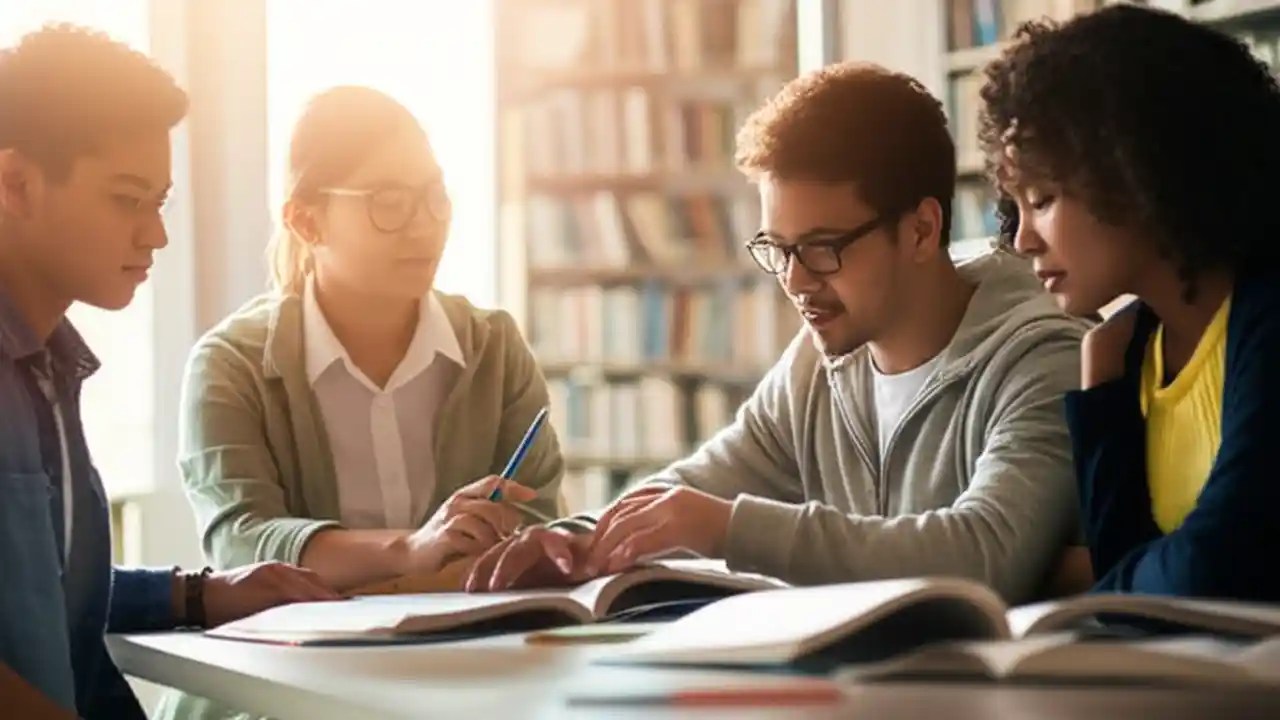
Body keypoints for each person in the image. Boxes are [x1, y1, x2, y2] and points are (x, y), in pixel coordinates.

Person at [466, 62, 1087, 602]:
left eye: (822, 248)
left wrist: (728, 529)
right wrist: (571, 541)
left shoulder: (1046, 356)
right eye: (777, 248)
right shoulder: (817, 366)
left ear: (922, 231)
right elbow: (692, 488)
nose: (794, 280)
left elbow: (986, 551)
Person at [0, 25, 339, 719]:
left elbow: (42, 584)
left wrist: (201, 594)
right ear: (15, 182)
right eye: (127, 200)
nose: (154, 234)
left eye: (158, 203)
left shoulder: (47, 366)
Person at [174, 85, 564, 593]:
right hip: (305, 664)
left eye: (434, 196)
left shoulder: (494, 349)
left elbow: (536, 527)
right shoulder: (231, 366)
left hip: (479, 654)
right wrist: (412, 550)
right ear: (307, 221)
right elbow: (241, 541)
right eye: (390, 203)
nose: (425, 225)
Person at [980, 4, 1280, 601]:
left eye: (1041, 198)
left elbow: (1219, 560)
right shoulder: (1120, 351)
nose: (1021, 238)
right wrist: (1105, 401)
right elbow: (1125, 576)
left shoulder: (1267, 315)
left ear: (1139, 170)